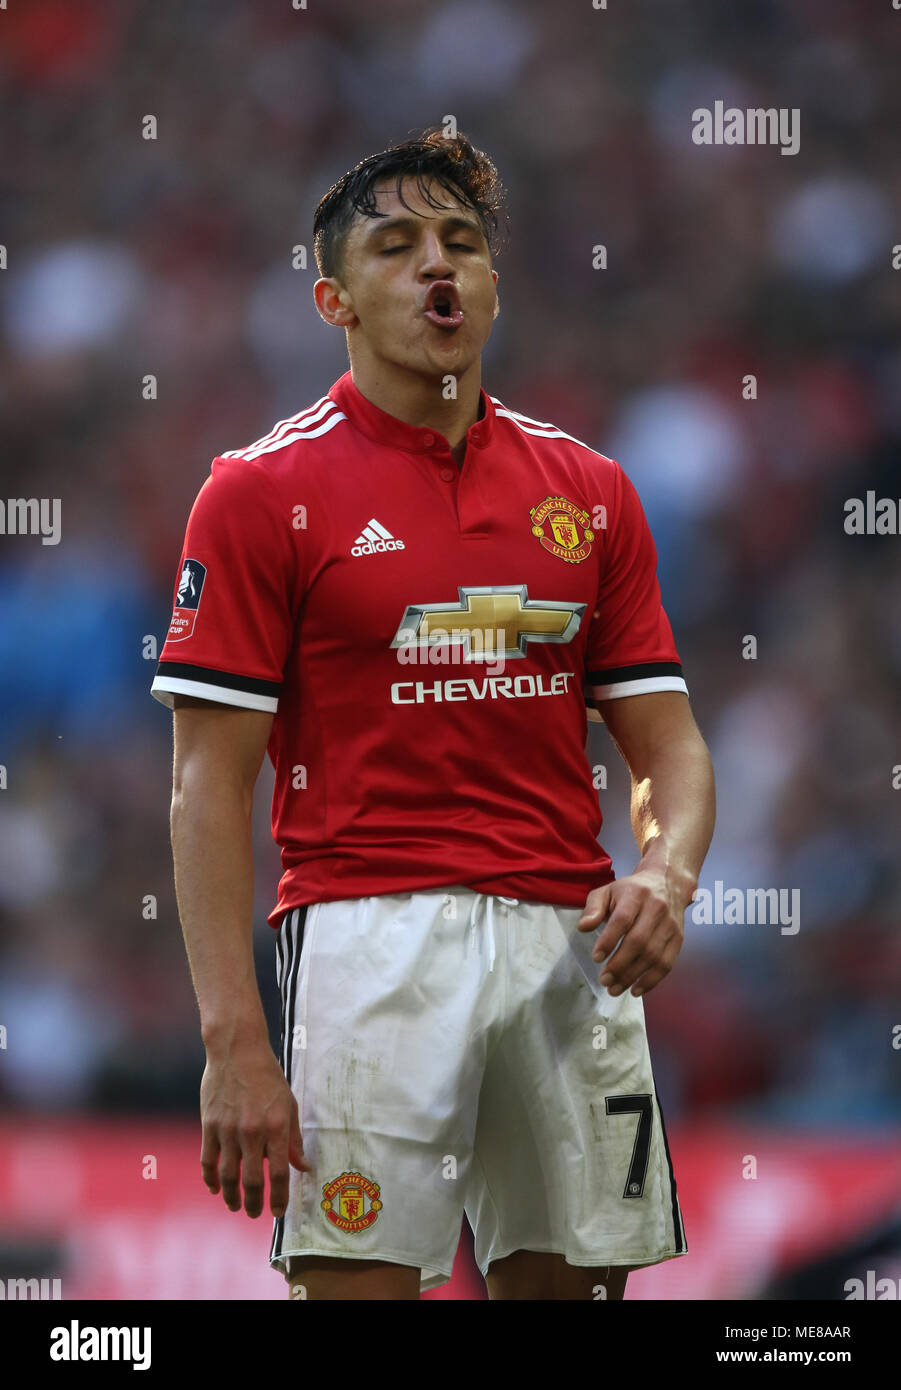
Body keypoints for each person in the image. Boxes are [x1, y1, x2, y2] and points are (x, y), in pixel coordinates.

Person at [150, 126, 716, 1301]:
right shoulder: (259, 492)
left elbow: (664, 741)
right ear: (332, 299)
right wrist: (232, 1040)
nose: (434, 266)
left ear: (495, 286)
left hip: (569, 946)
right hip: (367, 943)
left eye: (460, 243)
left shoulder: (590, 492)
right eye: (396, 245)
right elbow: (208, 782)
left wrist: (663, 874)